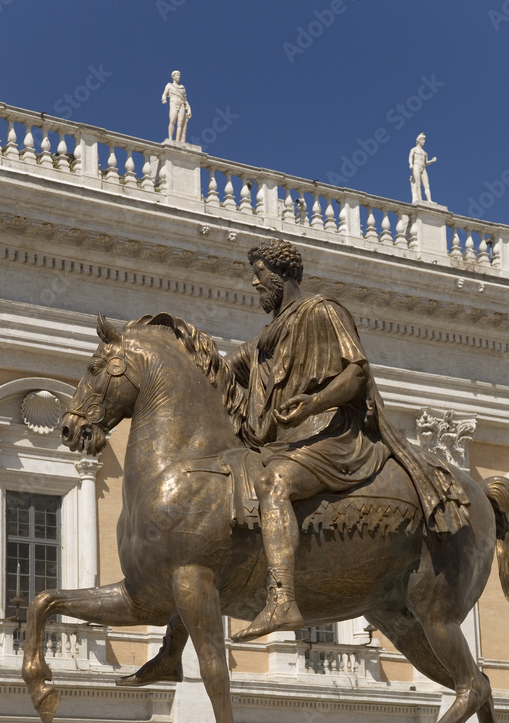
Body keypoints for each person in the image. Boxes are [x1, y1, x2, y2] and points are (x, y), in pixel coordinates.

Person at [228, 239, 468, 641]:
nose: (253, 282)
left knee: (274, 484)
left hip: (332, 434)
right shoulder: (266, 339)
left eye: (259, 272)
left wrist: (312, 404)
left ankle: (284, 599)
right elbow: (218, 369)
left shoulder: (323, 311)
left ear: (281, 274)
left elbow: (356, 374)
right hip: (290, 441)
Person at [161, 70, 191, 142]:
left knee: (180, 122)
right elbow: (164, 94)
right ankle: (170, 138)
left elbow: (185, 100)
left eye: (179, 75)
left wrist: (189, 108)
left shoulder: (182, 87)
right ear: (173, 76)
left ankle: (178, 140)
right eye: (177, 75)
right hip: (173, 102)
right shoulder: (169, 85)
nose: (178, 77)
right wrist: (164, 99)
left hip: (181, 103)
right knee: (172, 120)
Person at [409, 132, 437, 203]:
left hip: (423, 168)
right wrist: (411, 164)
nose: (424, 142)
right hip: (416, 166)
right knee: (418, 183)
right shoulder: (414, 149)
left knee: (427, 185)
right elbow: (410, 157)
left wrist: (431, 161)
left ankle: (429, 200)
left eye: (424, 140)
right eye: (422, 140)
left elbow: (425, 162)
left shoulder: (425, 153)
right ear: (419, 140)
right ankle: (419, 199)